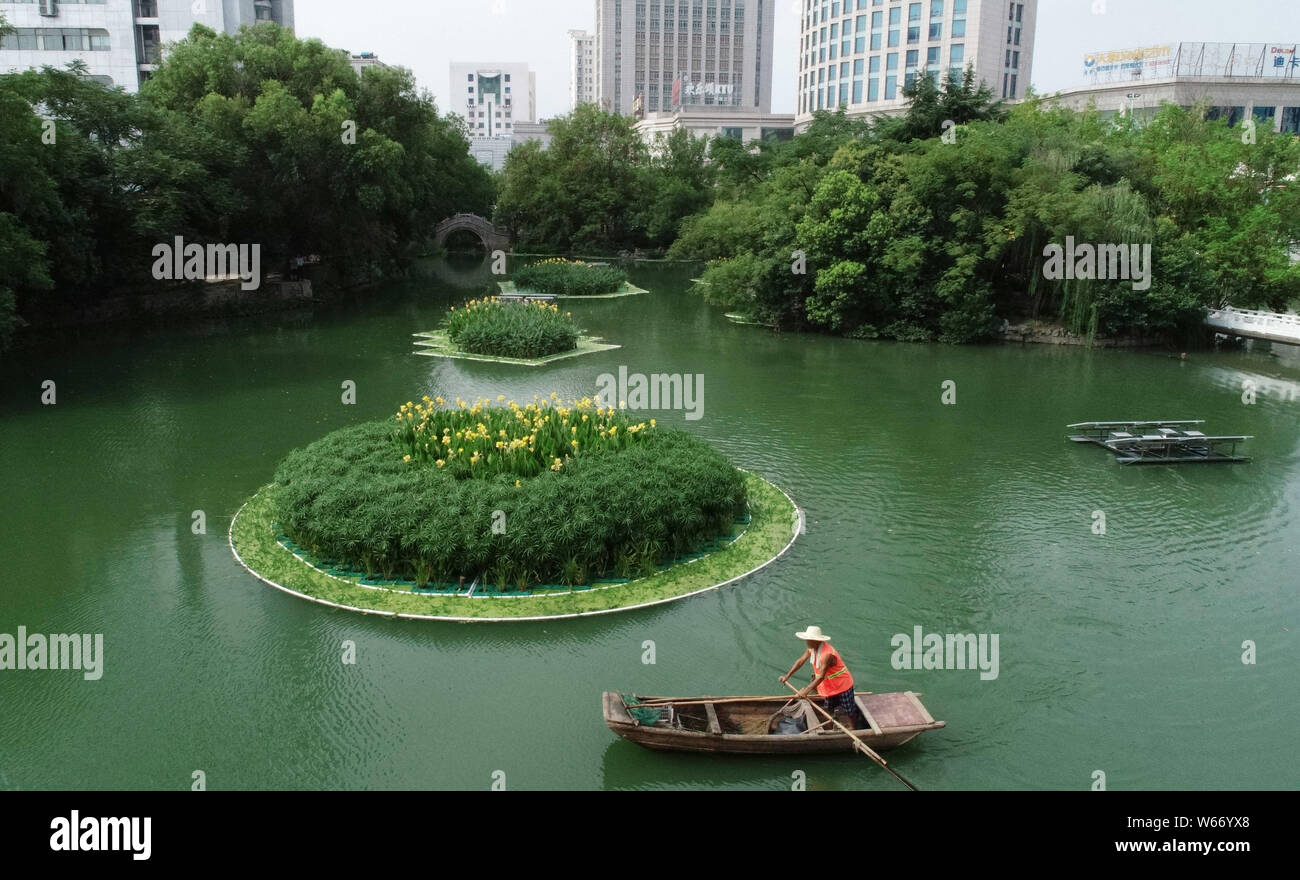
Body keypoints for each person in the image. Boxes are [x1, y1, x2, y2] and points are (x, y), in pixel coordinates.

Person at [779, 625, 863, 729]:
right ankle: (832, 726)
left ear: (816, 641)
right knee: (829, 709)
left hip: (842, 685)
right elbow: (800, 661)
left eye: (809, 640)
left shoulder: (827, 654)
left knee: (849, 711)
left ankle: (853, 728)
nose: (807, 642)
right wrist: (787, 676)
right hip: (829, 686)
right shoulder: (812, 648)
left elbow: (820, 677)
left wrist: (806, 691)